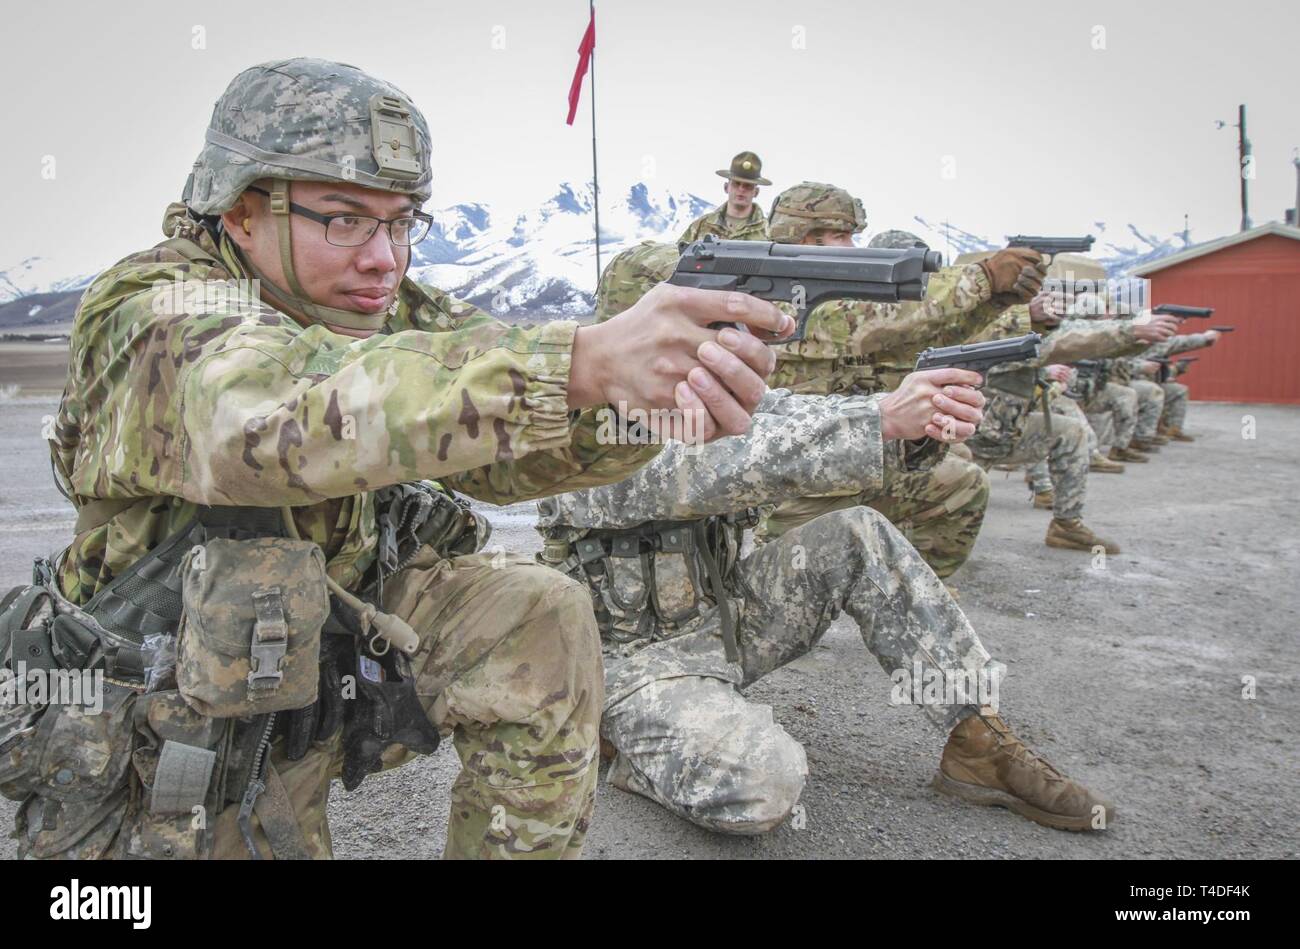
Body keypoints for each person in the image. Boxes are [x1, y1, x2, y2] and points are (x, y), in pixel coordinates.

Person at [0, 58, 791, 860]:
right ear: (241, 210)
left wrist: (635, 402)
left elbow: (496, 462)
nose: (385, 257)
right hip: (176, 729)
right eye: (345, 219)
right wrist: (580, 359)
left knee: (537, 612)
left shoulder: (371, 301)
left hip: (321, 660)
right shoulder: (154, 306)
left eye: (403, 221)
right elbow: (273, 417)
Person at [534, 246, 1116, 835]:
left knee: (855, 531)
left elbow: (789, 414)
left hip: (724, 625)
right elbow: (705, 472)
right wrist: (881, 419)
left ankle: (976, 739)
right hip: (633, 666)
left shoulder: (704, 392)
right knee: (761, 788)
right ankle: (626, 740)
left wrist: (914, 421)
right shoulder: (573, 426)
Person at [757, 185, 1044, 578]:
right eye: (842, 236)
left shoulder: (825, 294)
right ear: (803, 237)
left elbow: (912, 336)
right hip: (790, 485)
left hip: (843, 462)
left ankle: (909, 591)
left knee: (961, 482)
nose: (854, 247)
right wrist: (983, 279)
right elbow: (866, 323)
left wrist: (994, 300)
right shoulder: (774, 297)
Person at [676, 151, 772, 247]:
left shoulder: (768, 231)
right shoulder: (701, 226)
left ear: (756, 192)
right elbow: (678, 254)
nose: (741, 189)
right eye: (736, 183)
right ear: (726, 187)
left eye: (748, 186)